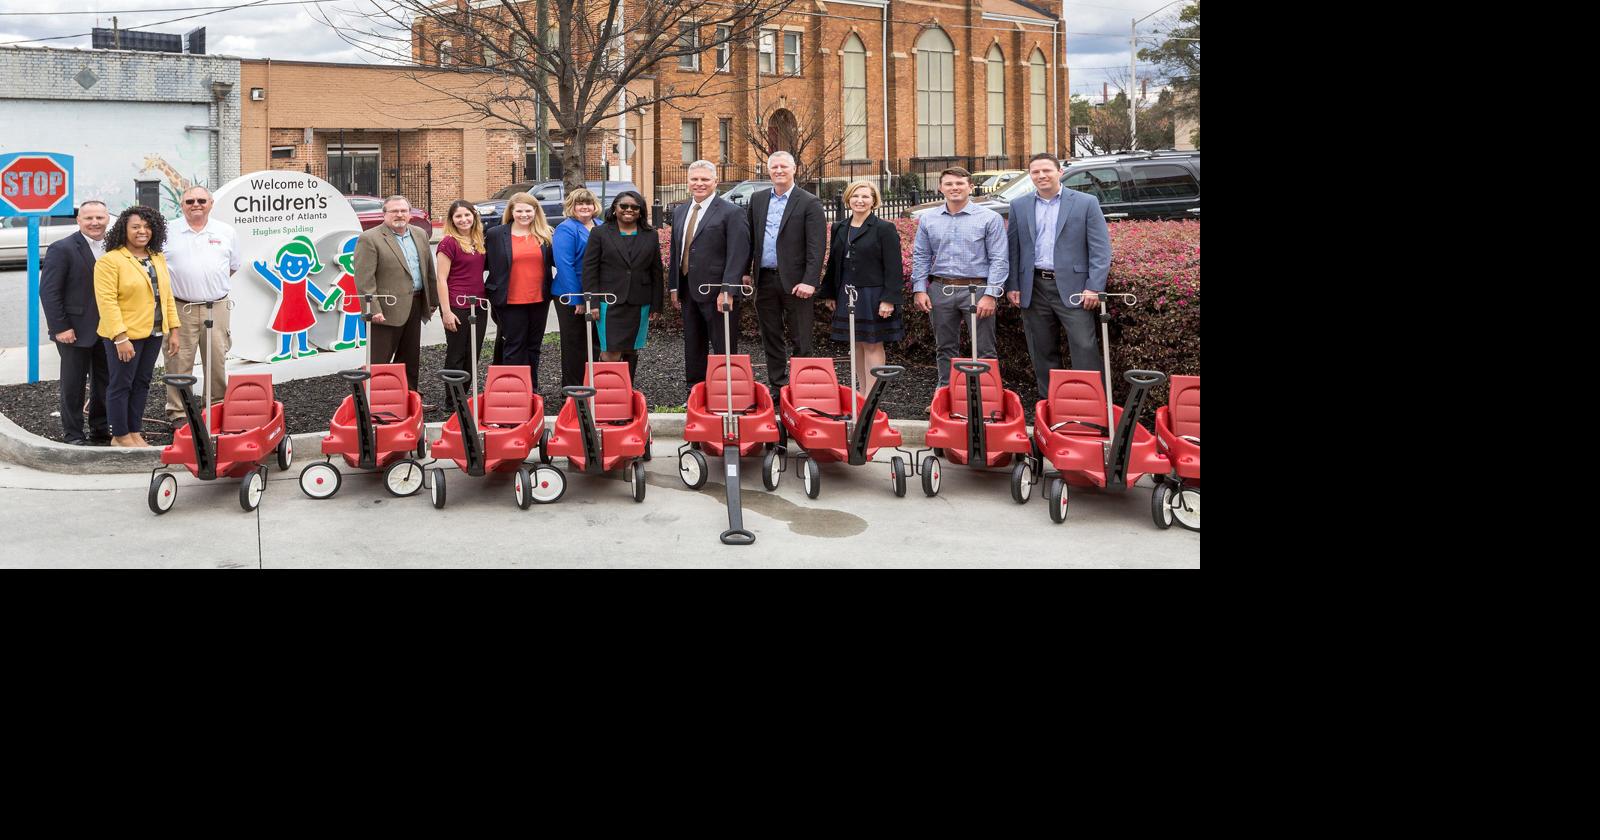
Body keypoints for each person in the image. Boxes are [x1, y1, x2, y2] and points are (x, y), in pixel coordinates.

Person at [1006, 152, 1112, 396]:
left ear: (1060, 172)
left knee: (1084, 347)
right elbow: (1013, 249)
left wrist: (1094, 287)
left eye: (1047, 170)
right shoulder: (1019, 205)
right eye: (1035, 172)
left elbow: (1100, 249)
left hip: (1075, 288)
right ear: (1030, 175)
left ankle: (1090, 403)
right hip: (1034, 287)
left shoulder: (1086, 202)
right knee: (1041, 349)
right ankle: (1051, 402)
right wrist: (1013, 285)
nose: (1041, 175)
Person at [910, 167, 1008, 386]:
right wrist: (919, 289)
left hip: (978, 291)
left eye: (960, 183)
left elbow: (999, 259)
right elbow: (921, 255)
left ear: (970, 187)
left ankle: (987, 396)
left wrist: (991, 294)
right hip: (940, 290)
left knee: (984, 349)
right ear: (940, 188)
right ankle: (946, 392)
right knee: (944, 348)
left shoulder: (989, 218)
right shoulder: (929, 219)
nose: (954, 188)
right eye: (949, 184)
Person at [94, 205, 180, 448]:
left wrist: (174, 330)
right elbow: (107, 302)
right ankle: (120, 435)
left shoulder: (156, 257)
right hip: (125, 336)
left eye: (147, 226)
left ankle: (134, 431)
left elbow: (167, 296)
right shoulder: (110, 261)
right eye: (136, 227)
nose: (142, 231)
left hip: (154, 332)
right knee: (121, 384)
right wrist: (120, 337)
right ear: (124, 229)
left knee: (142, 382)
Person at [744, 150, 825, 394]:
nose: (779, 171)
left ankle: (802, 390)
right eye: (774, 167)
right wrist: (745, 271)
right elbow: (750, 238)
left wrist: (810, 280)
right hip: (764, 279)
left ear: (794, 169)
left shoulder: (809, 202)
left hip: (797, 283)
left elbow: (816, 246)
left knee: (801, 338)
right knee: (771, 336)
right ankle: (778, 387)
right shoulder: (757, 200)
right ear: (768, 171)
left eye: (784, 166)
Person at [161, 185, 241, 423]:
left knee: (216, 360)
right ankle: (178, 413)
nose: (196, 205)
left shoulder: (226, 231)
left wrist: (208, 286)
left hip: (217, 307)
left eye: (201, 201)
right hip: (180, 307)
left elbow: (233, 266)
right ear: (182, 205)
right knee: (178, 360)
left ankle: (215, 408)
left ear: (211, 204)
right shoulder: (167, 231)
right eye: (190, 201)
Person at [668, 159, 750, 389]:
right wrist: (674, 286)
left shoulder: (732, 212)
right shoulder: (680, 211)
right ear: (688, 182)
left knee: (723, 346)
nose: (699, 184)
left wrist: (728, 290)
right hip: (688, 289)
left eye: (705, 179)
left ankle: (726, 393)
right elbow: (676, 251)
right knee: (693, 344)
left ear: (716, 181)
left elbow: (738, 253)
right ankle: (695, 391)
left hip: (717, 292)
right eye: (694, 179)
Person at [819, 181, 904, 395]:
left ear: (874, 201)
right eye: (855, 196)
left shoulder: (884, 229)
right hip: (846, 292)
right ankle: (862, 393)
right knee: (856, 343)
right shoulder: (839, 227)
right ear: (848, 199)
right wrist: (830, 293)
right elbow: (834, 263)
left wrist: (889, 299)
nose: (860, 200)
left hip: (872, 294)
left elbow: (894, 267)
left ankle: (872, 398)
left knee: (872, 344)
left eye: (865, 197)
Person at [39, 200, 112, 445]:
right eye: (89, 218)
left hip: (108, 329)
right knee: (73, 385)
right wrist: (60, 327)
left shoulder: (115, 247)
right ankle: (73, 434)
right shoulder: (62, 248)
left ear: (107, 219)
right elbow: (49, 292)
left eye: (99, 217)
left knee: (105, 383)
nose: (95, 222)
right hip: (74, 330)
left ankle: (100, 430)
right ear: (79, 220)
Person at [354, 194, 438, 391]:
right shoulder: (369, 238)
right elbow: (364, 279)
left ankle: (410, 399)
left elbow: (428, 270)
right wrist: (373, 309)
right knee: (379, 360)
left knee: (410, 358)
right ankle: (376, 400)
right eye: (394, 211)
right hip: (385, 309)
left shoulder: (420, 234)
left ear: (410, 214)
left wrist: (432, 300)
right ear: (384, 214)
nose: (399, 215)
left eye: (403, 211)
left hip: (415, 303)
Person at [581, 190, 663, 379]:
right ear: (614, 209)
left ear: (641, 211)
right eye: (624, 206)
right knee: (610, 351)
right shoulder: (600, 233)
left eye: (635, 207)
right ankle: (608, 391)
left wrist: (656, 305)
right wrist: (592, 302)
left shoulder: (650, 234)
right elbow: (590, 270)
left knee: (631, 349)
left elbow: (656, 271)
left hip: (639, 302)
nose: (629, 210)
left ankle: (627, 391)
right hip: (608, 303)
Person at [484, 192, 555, 385]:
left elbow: (557, 262)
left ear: (536, 211)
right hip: (510, 300)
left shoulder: (546, 234)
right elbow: (484, 263)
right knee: (514, 346)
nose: (524, 215)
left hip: (539, 299)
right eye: (519, 211)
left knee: (534, 346)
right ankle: (514, 390)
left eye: (528, 211)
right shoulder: (496, 234)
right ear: (511, 212)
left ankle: (531, 388)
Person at [434, 200, 489, 408]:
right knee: (456, 353)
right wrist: (446, 311)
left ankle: (463, 396)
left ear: (474, 216)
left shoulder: (478, 240)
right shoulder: (448, 243)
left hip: (479, 305)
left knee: (473, 353)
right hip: (456, 305)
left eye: (467, 215)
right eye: (458, 216)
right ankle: (452, 400)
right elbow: (441, 279)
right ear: (452, 220)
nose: (463, 219)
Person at [551, 188, 601, 388]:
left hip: (596, 293)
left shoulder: (601, 225)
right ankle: (572, 389)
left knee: (595, 343)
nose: (584, 207)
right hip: (570, 294)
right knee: (575, 344)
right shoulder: (566, 229)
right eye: (579, 203)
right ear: (571, 206)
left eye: (588, 203)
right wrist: (576, 298)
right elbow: (564, 265)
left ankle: (592, 386)